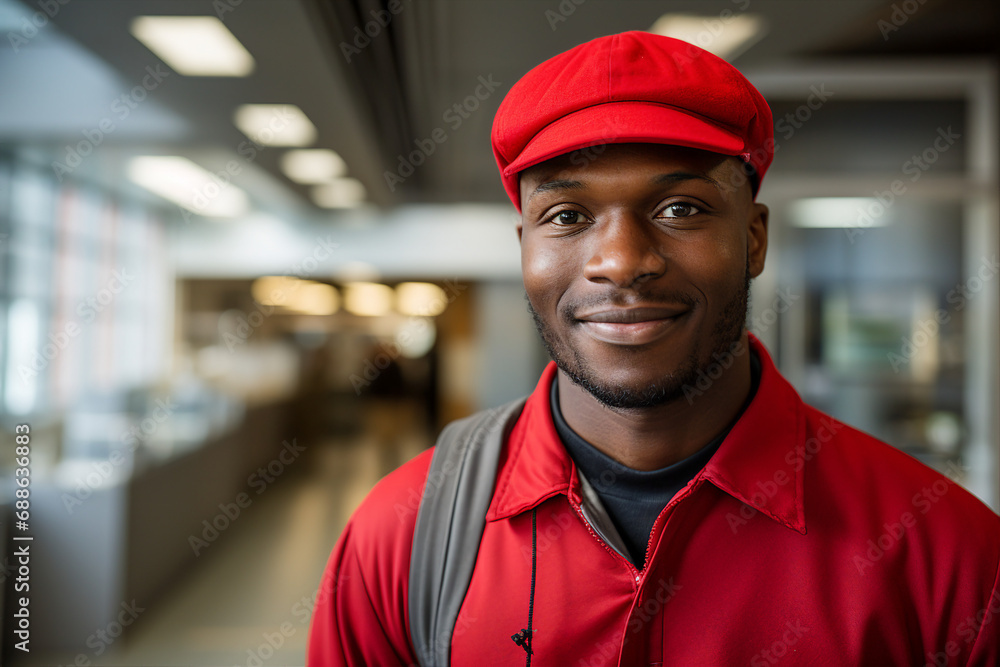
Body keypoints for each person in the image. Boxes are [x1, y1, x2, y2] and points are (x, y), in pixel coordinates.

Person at [307, 31, 999, 666]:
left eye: (681, 210)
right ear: (524, 250)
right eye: (568, 216)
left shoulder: (948, 553)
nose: (620, 260)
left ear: (754, 238)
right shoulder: (402, 540)